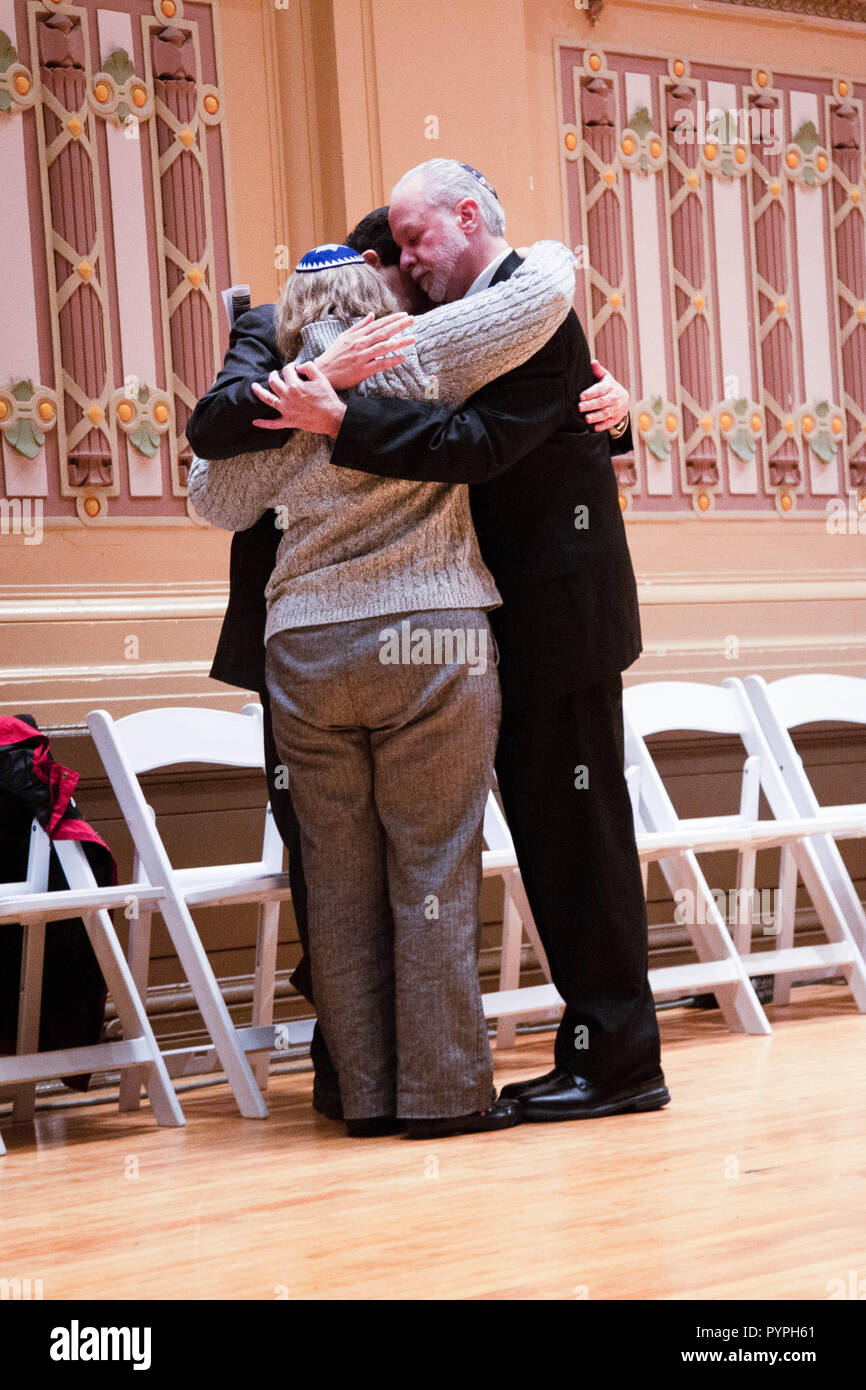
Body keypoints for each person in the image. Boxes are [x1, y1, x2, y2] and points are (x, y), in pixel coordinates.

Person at [246, 160, 670, 1123]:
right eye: (391, 254)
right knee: (456, 854)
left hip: (556, 615)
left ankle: (617, 1061)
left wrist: (342, 420)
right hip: (473, 627)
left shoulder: (527, 312)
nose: (407, 263)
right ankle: (377, 1068)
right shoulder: (466, 322)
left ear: (468, 216)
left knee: (577, 844)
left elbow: (476, 446)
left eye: (414, 243)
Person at [188, 236, 577, 1137]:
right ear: (383, 295)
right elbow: (548, 287)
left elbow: (211, 500)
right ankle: (443, 1099)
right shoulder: (422, 350)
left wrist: (302, 380)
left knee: (338, 882)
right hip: (431, 636)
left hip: (307, 648)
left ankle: (363, 1097)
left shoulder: (283, 394)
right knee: (435, 869)